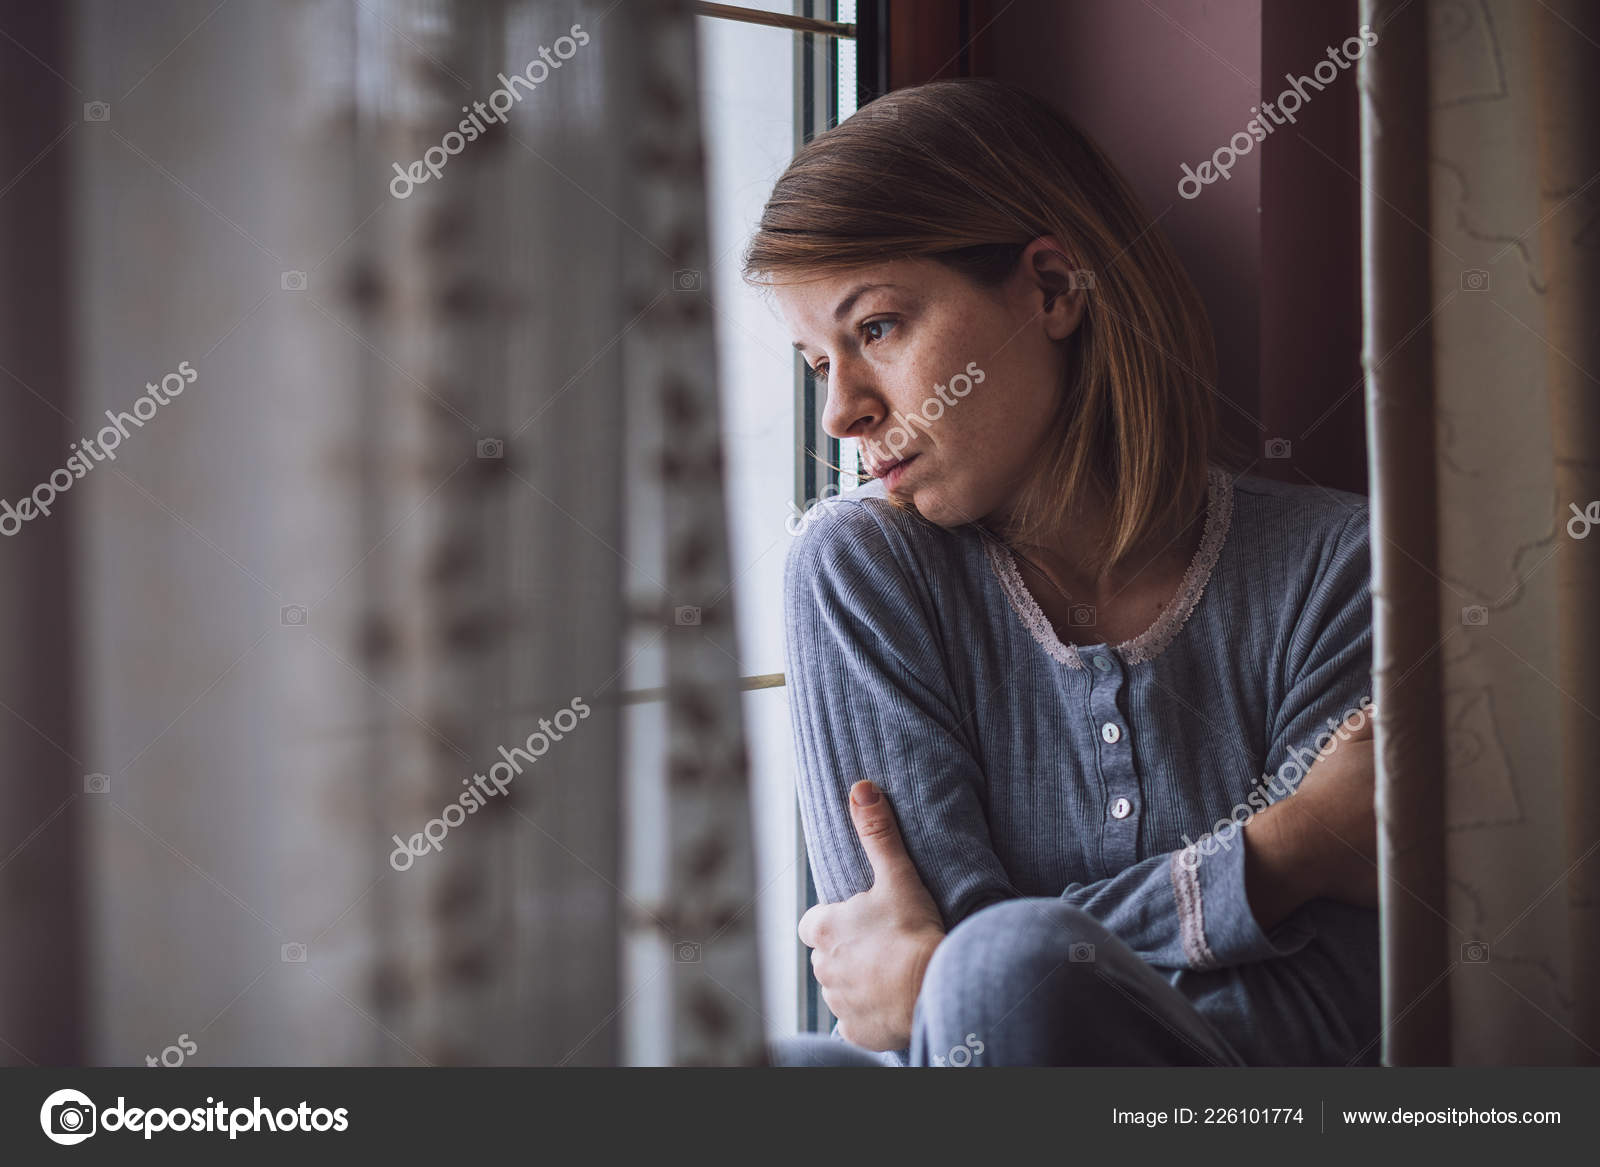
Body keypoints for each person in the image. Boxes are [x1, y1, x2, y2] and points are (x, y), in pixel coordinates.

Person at [743, 79, 1380, 1067]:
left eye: (874, 328)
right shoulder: (856, 569)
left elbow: (1318, 1017)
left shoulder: (1339, 569)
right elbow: (929, 1021)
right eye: (816, 363)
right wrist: (1279, 855)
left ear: (1050, 288)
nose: (842, 415)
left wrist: (960, 970)